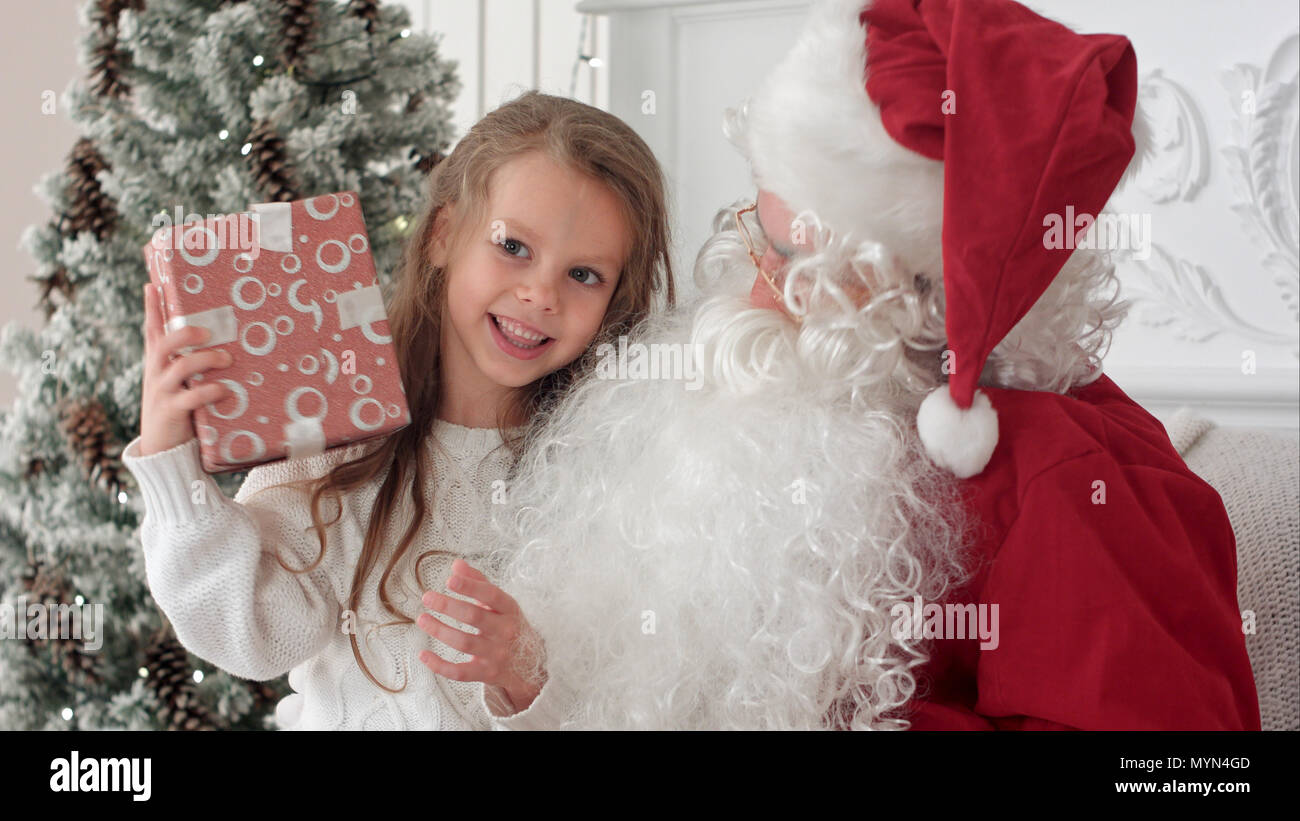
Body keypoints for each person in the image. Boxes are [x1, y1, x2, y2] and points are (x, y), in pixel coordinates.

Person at [457, 0, 1260, 730]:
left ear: (912, 293)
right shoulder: (770, 411)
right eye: (754, 223)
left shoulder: (1076, 481)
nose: (748, 280)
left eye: (786, 258)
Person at [121, 90, 674, 730]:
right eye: (513, 246)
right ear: (443, 234)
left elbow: (639, 702)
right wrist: (169, 463)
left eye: (584, 275)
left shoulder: (612, 475)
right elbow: (250, 633)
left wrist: (523, 674)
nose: (539, 293)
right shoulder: (340, 441)